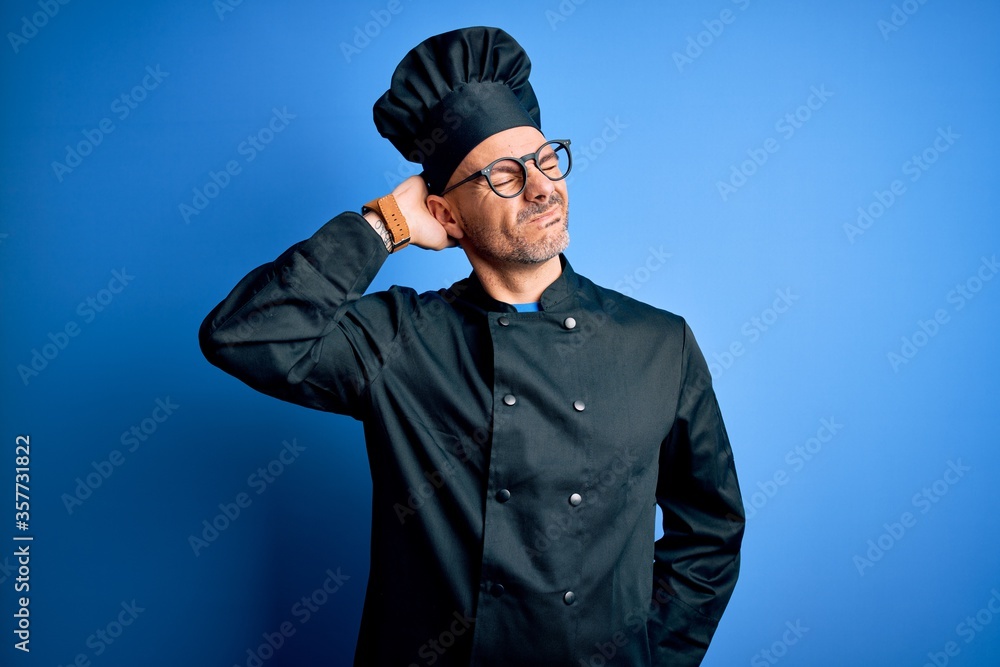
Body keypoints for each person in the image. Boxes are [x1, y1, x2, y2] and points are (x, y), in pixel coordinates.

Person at [200, 26, 744, 667]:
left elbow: (710, 529)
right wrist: (383, 226)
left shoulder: (659, 343)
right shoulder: (398, 339)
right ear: (448, 216)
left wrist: (654, 659)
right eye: (504, 176)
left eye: (546, 161)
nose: (542, 187)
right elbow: (244, 334)